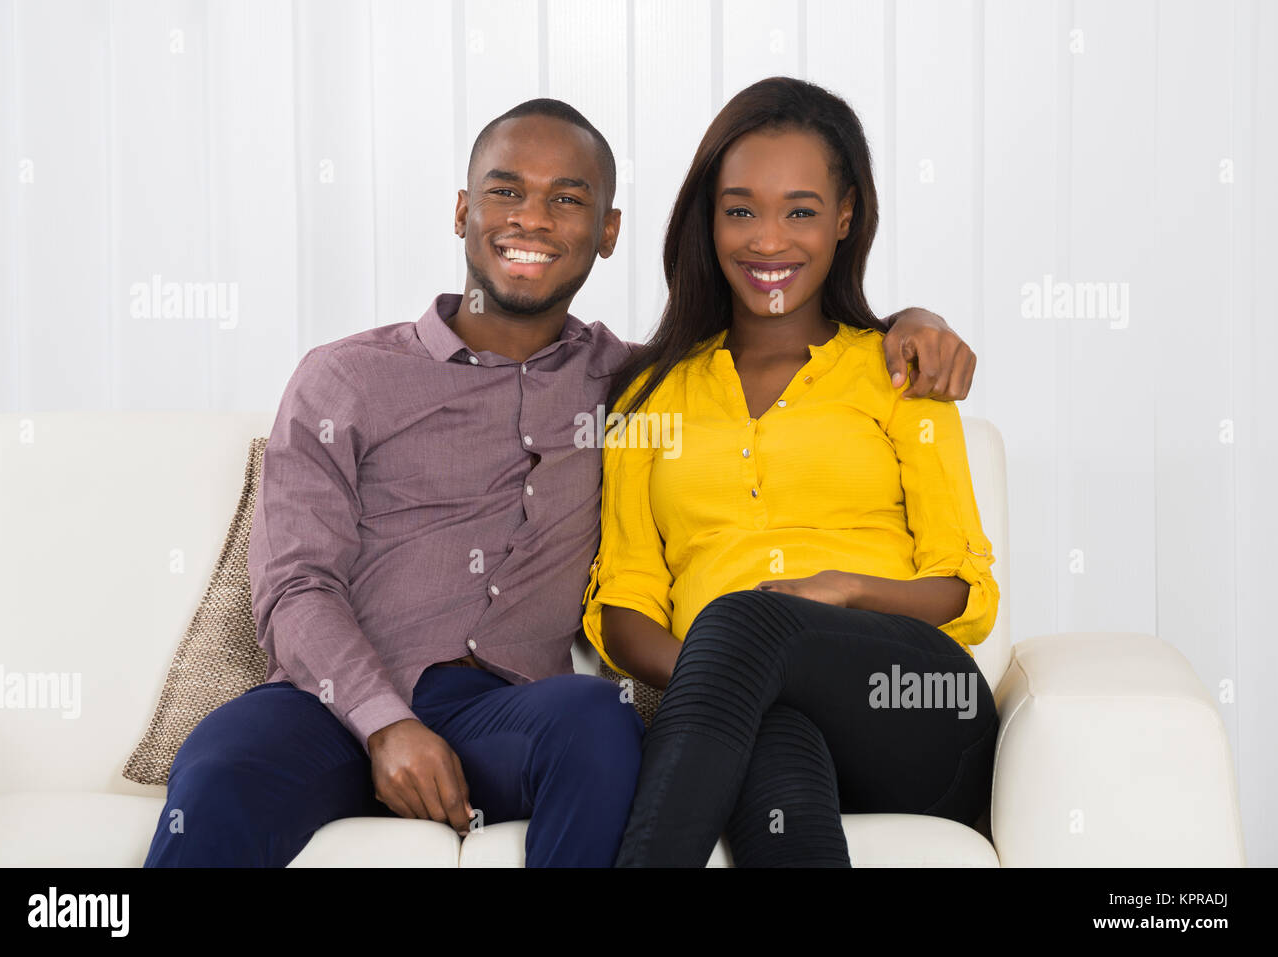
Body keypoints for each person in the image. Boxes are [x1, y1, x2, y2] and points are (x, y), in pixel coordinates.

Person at [143, 96, 975, 868]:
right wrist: (384, 721)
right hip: (330, 706)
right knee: (221, 766)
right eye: (506, 192)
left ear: (608, 231)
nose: (532, 219)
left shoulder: (629, 384)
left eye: (567, 200)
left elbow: (792, 342)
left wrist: (915, 322)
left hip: (506, 711)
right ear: (463, 211)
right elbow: (294, 582)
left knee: (596, 721)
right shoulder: (348, 379)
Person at [582, 76, 1000, 867]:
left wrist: (842, 590)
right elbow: (623, 603)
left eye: (800, 211)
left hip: (913, 704)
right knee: (775, 757)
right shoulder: (648, 398)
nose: (767, 240)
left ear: (844, 219)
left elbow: (964, 589)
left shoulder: (900, 373)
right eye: (741, 210)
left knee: (744, 621)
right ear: (708, 221)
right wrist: (732, 681)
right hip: (761, 714)